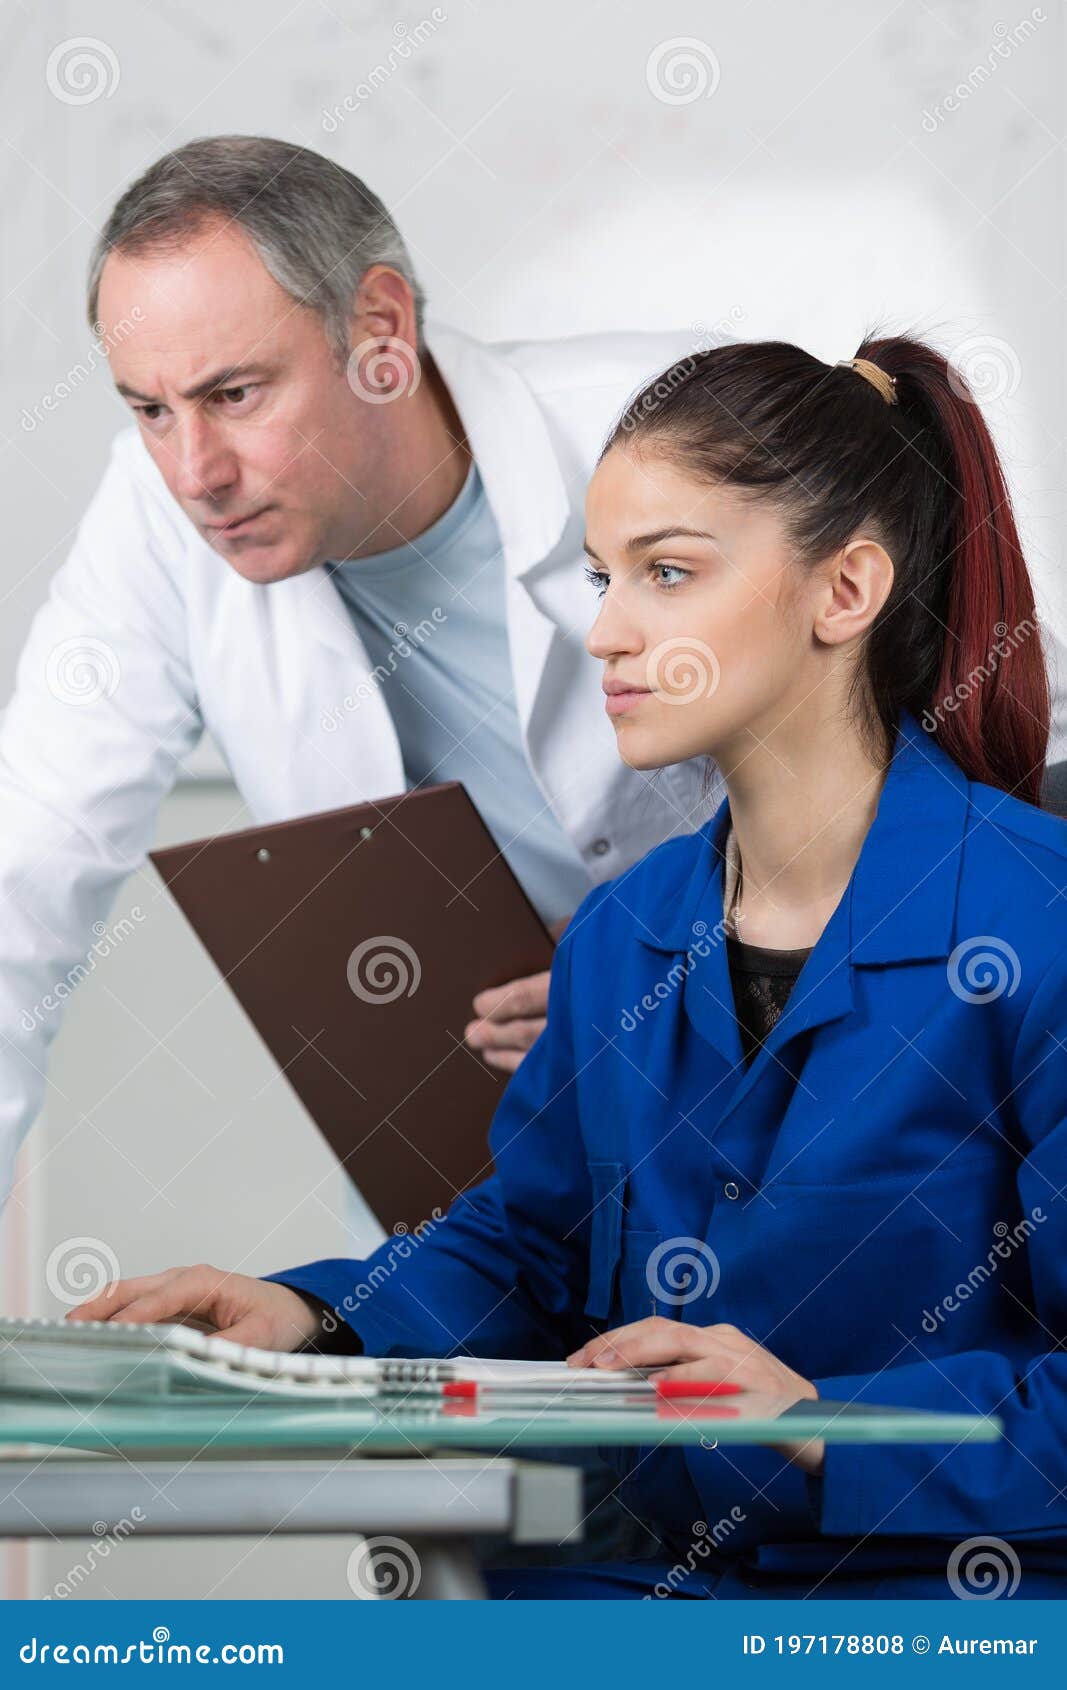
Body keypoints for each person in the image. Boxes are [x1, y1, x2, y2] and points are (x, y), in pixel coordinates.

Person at [73, 333, 1067, 1599]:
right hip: (649, 1592)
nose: (602, 632)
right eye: (602, 577)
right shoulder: (624, 933)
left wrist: (820, 1420)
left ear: (845, 590)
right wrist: (310, 1320)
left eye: (665, 572)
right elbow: (526, 1249)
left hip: (934, 1603)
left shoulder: (1030, 925)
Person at [0, 133, 721, 1209]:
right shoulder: (155, 514)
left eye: (236, 393)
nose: (195, 473)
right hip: (477, 1178)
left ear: (377, 328)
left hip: (786, 1104)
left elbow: (990, 766)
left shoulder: (675, 421)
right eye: (149, 409)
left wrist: (681, 943)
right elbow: (26, 873)